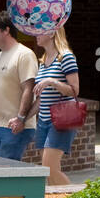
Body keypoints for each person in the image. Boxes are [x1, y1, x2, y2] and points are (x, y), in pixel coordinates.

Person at [26, 26, 80, 186]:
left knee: (50, 169)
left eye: (39, 31)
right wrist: (23, 118)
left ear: (50, 33)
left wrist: (51, 82)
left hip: (61, 120)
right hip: (43, 121)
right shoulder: (43, 61)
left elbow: (74, 90)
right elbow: (41, 99)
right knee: (49, 171)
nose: (36, 34)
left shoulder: (66, 57)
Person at [0, 13, 37, 160]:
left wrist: (21, 118)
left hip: (14, 126)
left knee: (6, 174)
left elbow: (29, 89)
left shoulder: (24, 54)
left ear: (6, 30)